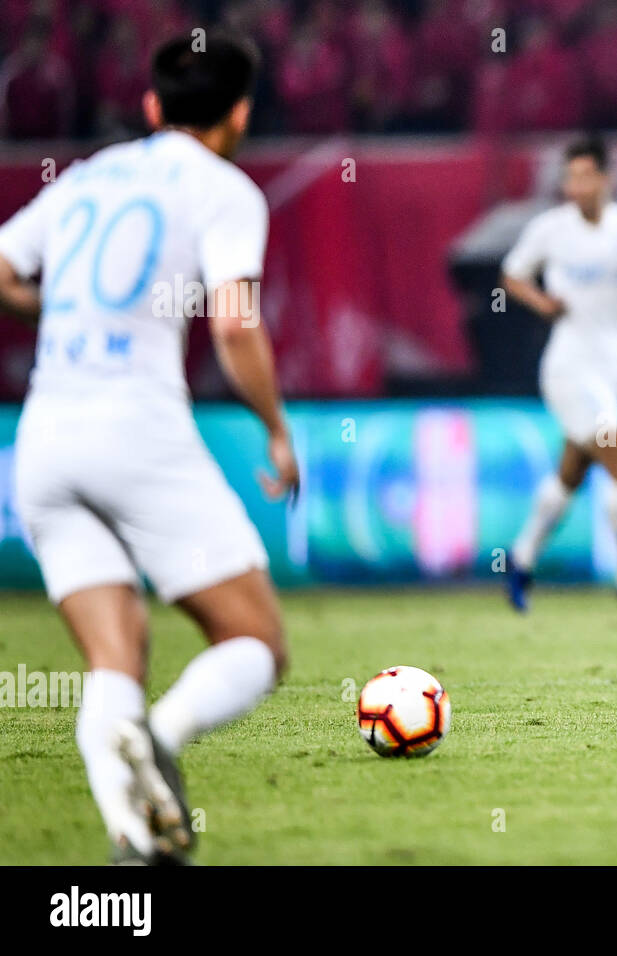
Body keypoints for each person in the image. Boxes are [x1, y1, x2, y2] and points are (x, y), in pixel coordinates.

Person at [0, 31, 298, 862]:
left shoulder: (87, 179)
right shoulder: (227, 190)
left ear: (151, 106)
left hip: (46, 437)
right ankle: (160, 737)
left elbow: (1, 268)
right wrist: (276, 426)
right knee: (253, 643)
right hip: (136, 429)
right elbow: (236, 323)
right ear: (239, 114)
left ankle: (140, 846)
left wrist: (60, 314)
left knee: (112, 657)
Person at [501, 136, 617, 611]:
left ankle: (520, 560)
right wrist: (543, 304)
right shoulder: (551, 228)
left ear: (604, 178)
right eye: (569, 177)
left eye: (583, 176)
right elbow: (512, 274)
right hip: (567, 369)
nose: (574, 185)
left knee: (570, 475)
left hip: (611, 370)